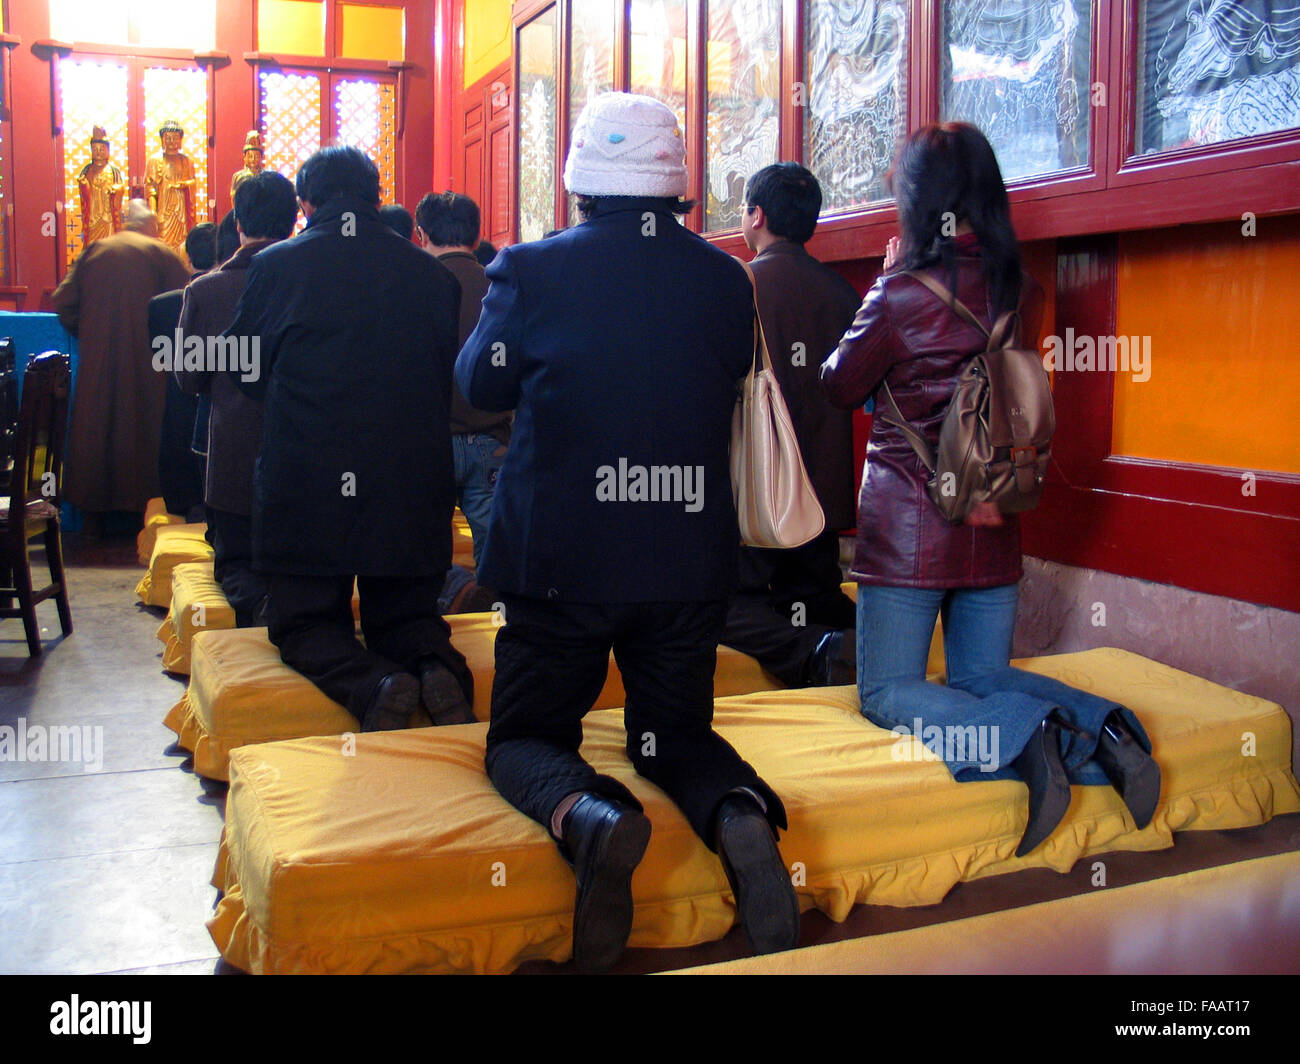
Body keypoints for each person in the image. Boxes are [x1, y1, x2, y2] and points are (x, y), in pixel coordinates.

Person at [457, 92, 800, 970]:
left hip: (559, 562)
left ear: (579, 181)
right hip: (686, 563)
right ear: (675, 186)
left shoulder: (529, 271)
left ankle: (594, 818)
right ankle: (738, 814)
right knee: (674, 734)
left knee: (528, 738)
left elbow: (478, 387)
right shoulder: (729, 278)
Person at [820, 123, 1161, 856]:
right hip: (996, 511)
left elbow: (839, 383)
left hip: (911, 521)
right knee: (982, 671)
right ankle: (1104, 729)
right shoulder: (1021, 290)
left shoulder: (900, 295)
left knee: (885, 690)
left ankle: (1025, 738)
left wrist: (887, 279)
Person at [227, 146, 474, 730]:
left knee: (306, 623)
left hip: (309, 475)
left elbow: (245, 369)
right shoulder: (433, 276)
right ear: (376, 195)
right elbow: (446, 374)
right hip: (410, 478)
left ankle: (375, 684)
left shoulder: (277, 266)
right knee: (409, 617)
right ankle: (433, 667)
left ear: (305, 202)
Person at [722, 162, 861, 687]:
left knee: (724, 604)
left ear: (756, 215)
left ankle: (815, 654)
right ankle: (856, 647)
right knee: (814, 595)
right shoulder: (842, 291)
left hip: (756, 486)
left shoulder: (740, 285)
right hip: (820, 491)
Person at [175, 172, 298, 626]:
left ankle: (261, 607)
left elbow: (188, 379)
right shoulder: (315, 284)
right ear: (294, 219)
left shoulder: (206, 290)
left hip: (234, 463)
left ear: (238, 222)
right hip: (310, 465)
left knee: (235, 565)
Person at [51, 199, 190, 530]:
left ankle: (93, 522)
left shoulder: (96, 250)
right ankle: (146, 519)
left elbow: (63, 301)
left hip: (100, 363)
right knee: (145, 429)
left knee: (97, 429)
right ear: (152, 226)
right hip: (151, 367)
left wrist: (90, 333)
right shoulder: (163, 254)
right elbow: (187, 307)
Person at [415, 191, 510, 569]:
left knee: (425, 544)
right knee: (493, 549)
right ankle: (491, 614)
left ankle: (443, 602)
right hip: (492, 439)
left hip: (430, 442)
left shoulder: (412, 287)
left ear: (421, 235)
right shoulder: (500, 287)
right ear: (476, 235)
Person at [151, 221, 217, 520]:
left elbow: (161, 359)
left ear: (186, 256)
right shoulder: (232, 296)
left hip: (177, 425)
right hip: (218, 427)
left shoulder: (162, 306)